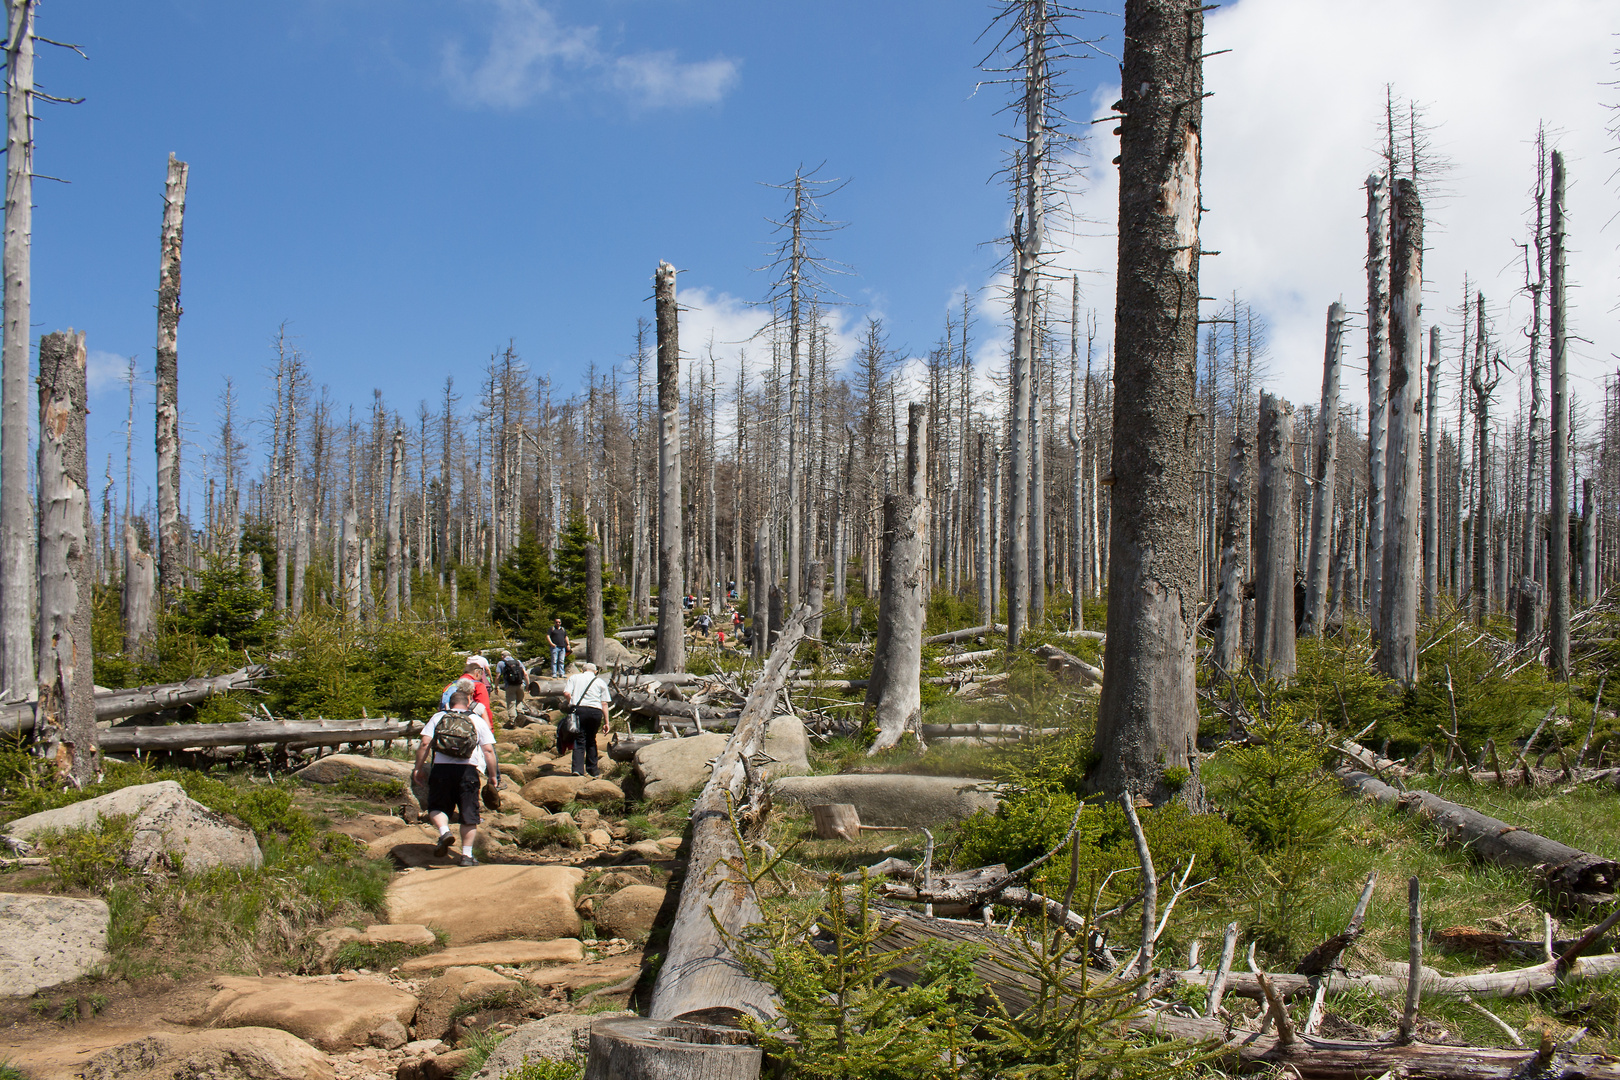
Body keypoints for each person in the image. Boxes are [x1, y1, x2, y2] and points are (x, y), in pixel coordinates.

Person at [413, 688, 498, 867]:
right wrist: (492, 775)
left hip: (441, 769)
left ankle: (444, 832)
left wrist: (418, 768)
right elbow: (488, 750)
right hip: (468, 771)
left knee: (437, 807)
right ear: (468, 703)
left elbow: (425, 743)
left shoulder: (438, 717)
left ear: (448, 704)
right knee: (469, 813)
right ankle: (466, 856)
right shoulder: (476, 719)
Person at [561, 662, 611, 778]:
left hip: (579, 710)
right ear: (595, 672)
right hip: (595, 711)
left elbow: (566, 693)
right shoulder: (600, 682)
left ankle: (577, 769)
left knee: (579, 739)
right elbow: (604, 703)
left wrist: (571, 702)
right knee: (591, 739)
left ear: (582, 670)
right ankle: (593, 770)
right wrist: (606, 722)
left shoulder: (574, 678)